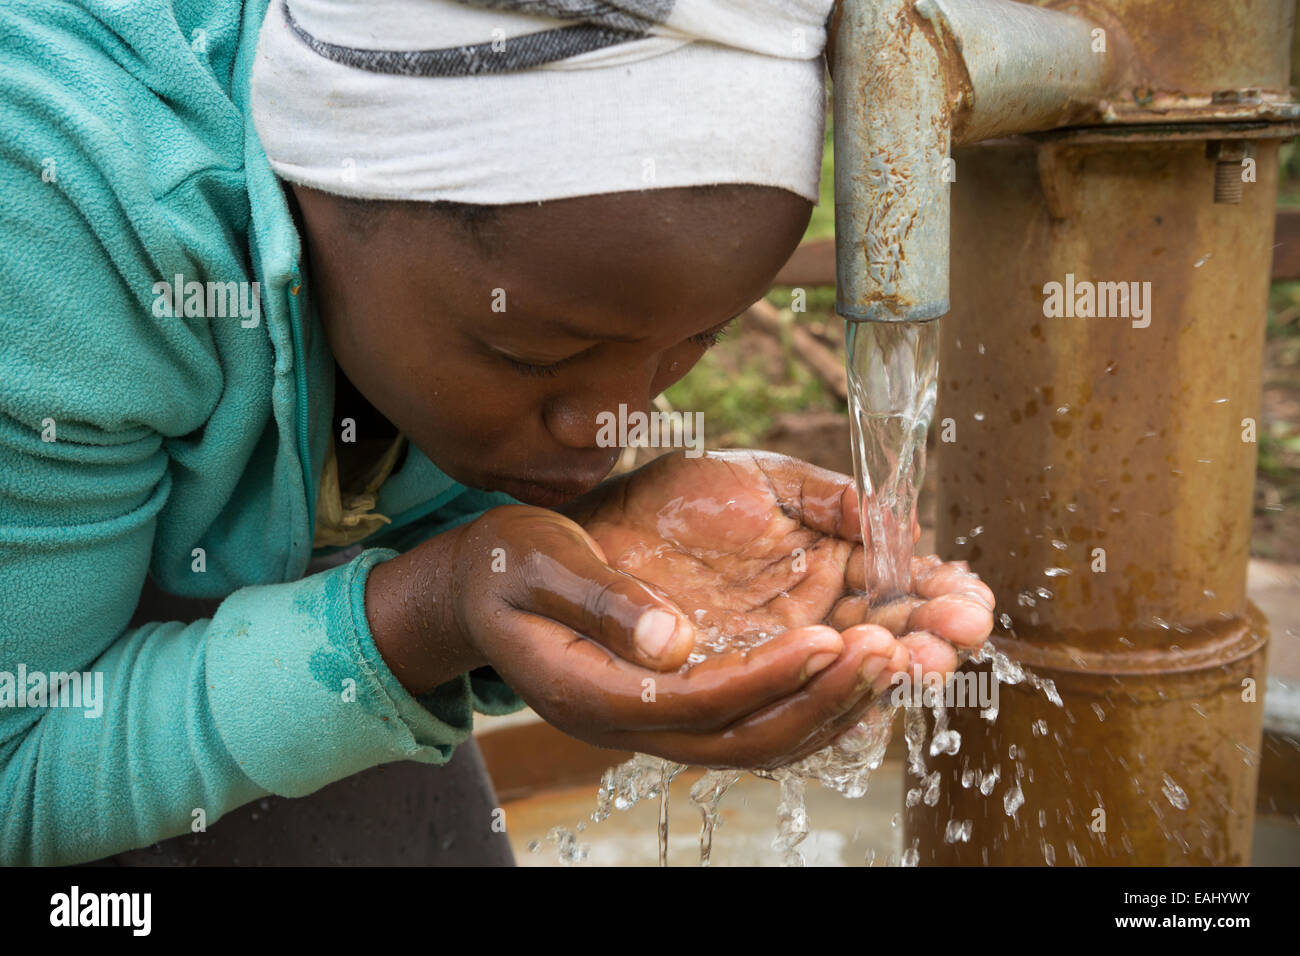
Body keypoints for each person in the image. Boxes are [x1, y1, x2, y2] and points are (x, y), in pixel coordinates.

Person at [0, 0, 993, 865]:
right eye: (532, 359)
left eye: (692, 341)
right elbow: (15, 764)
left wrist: (579, 549)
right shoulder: (60, 216)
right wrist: (425, 609)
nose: (609, 429)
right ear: (326, 190)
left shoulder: (459, 285)